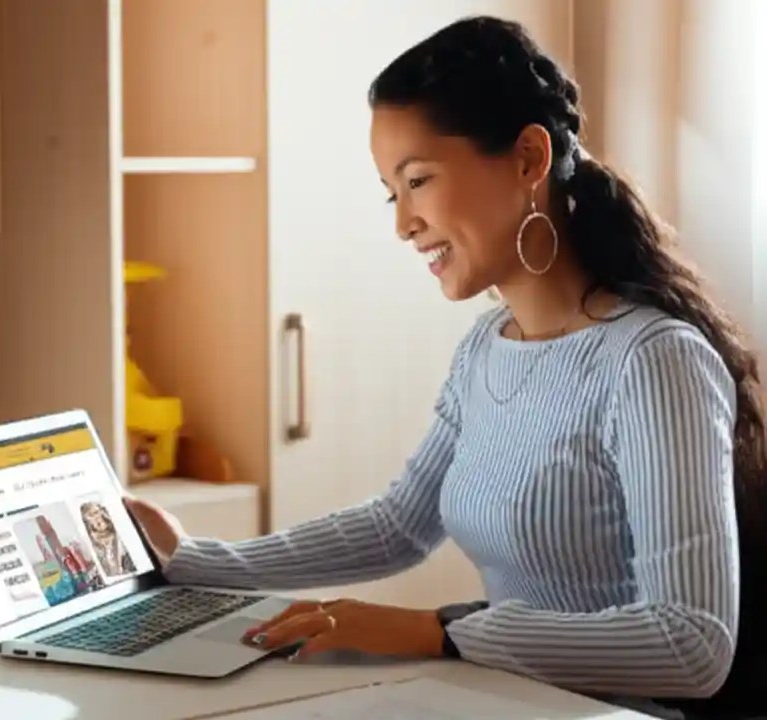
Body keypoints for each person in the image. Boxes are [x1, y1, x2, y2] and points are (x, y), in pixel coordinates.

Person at [124, 15, 766, 720]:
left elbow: (693, 645)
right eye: (391, 193)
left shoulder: (653, 362)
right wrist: (198, 562)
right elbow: (398, 525)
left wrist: (439, 632)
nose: (403, 223)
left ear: (528, 159)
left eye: (419, 181)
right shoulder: (487, 348)